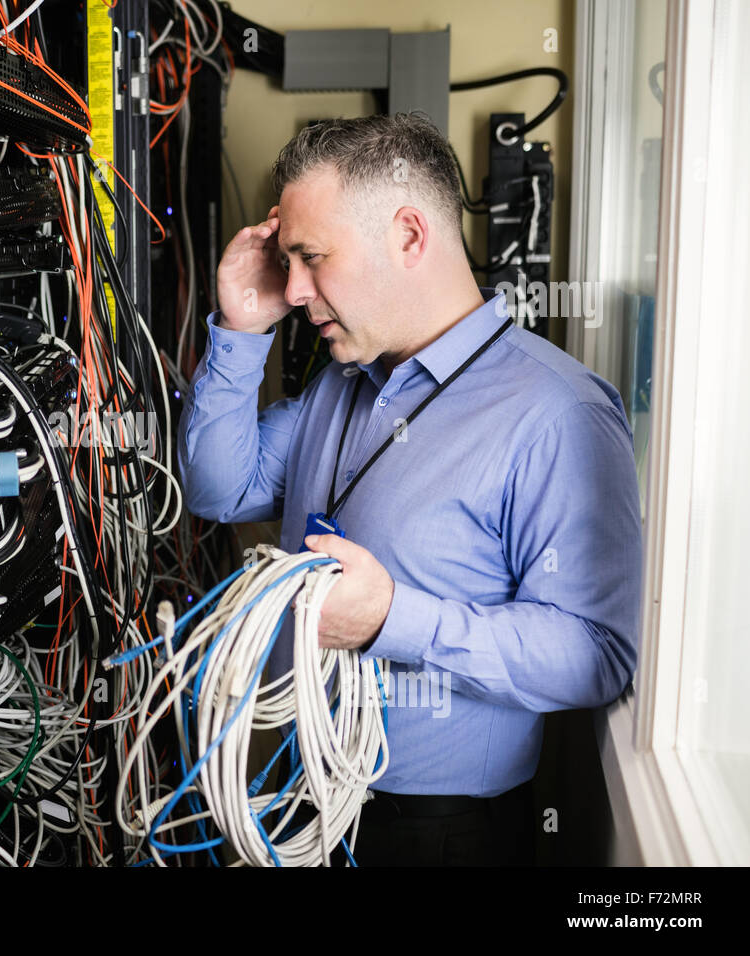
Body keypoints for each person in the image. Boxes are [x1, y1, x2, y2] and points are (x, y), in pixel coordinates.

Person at [177, 113, 642, 866]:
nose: (294, 290)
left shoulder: (558, 412)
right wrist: (240, 330)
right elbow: (220, 491)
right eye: (287, 260)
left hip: (440, 836)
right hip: (308, 798)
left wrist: (392, 619)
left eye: (312, 257)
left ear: (409, 237)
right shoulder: (345, 383)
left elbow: (597, 652)